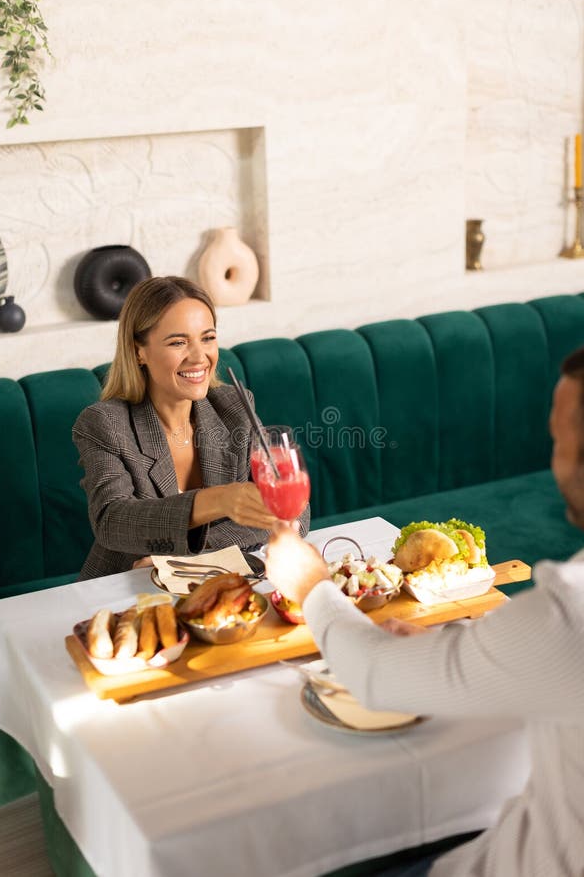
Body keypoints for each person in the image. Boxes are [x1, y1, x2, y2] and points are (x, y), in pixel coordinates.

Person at [266, 347, 584, 877]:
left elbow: (372, 675)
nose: (554, 459)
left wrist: (313, 587)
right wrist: (458, 654)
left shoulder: (565, 614)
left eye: (559, 438)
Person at [73, 276, 309, 581]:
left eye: (208, 338)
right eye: (178, 342)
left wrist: (189, 556)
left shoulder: (234, 408)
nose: (200, 357)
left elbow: (293, 511)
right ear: (138, 352)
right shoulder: (105, 424)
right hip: (124, 591)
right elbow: (113, 521)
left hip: (215, 584)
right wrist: (222, 500)